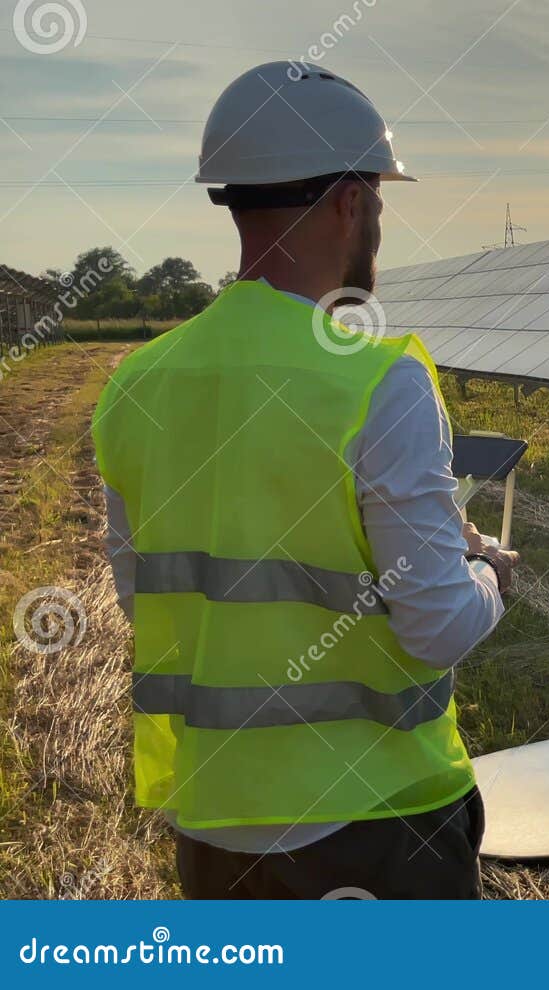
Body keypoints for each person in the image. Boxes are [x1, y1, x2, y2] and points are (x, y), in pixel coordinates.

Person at [91, 61, 520, 899]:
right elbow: (436, 627)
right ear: (351, 202)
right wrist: (490, 575)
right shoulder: (380, 384)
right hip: (375, 824)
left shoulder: (135, 385)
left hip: (213, 826)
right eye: (381, 204)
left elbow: (144, 595)